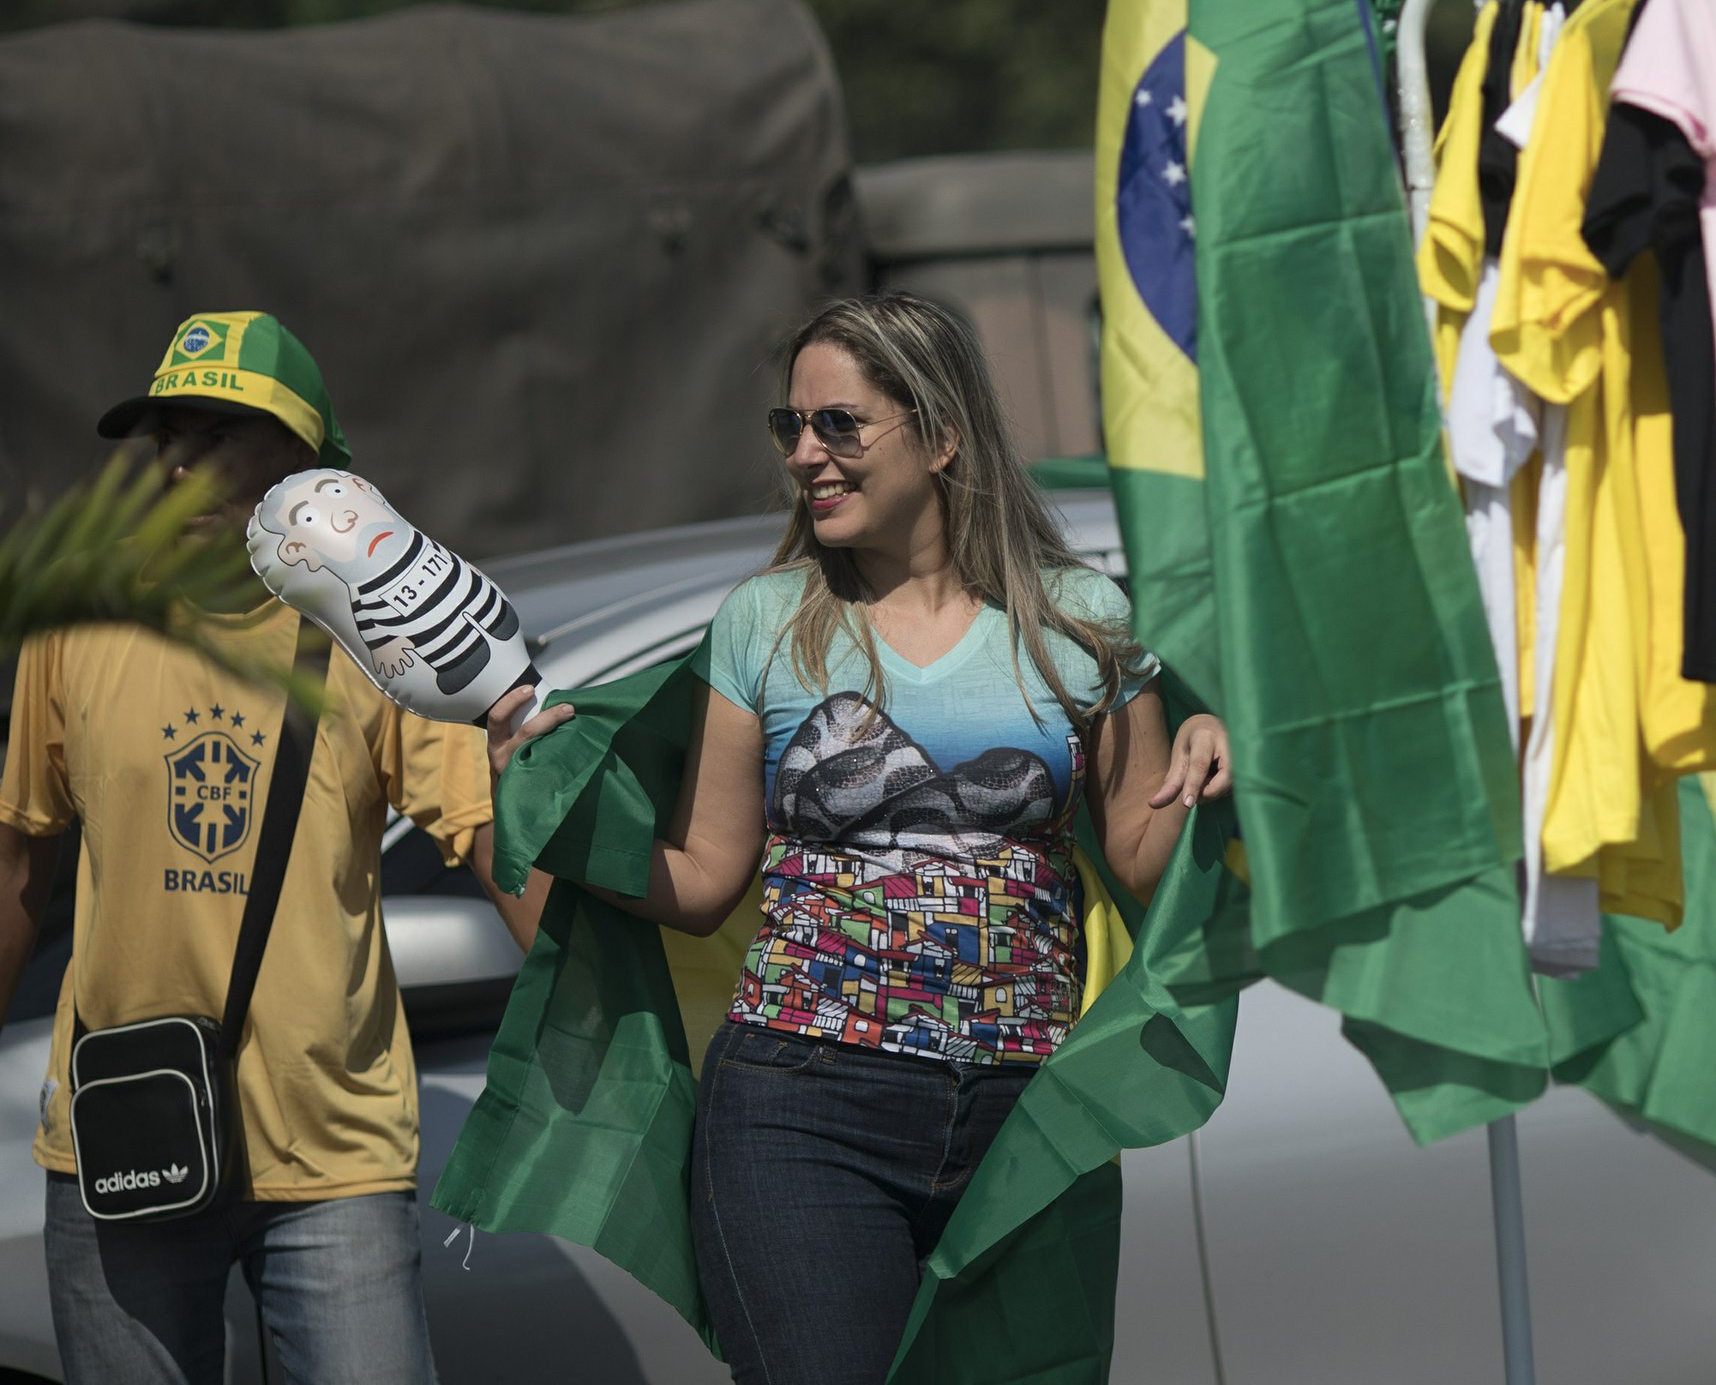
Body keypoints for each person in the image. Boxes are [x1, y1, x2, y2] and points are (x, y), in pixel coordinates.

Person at [489, 292, 1232, 1385]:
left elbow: (1137, 856)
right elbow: (701, 878)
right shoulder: (766, 620)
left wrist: (1208, 755)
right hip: (800, 1110)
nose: (805, 453)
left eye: (839, 423)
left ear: (940, 436)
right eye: (789, 426)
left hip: (1027, 1115)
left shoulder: (1082, 620)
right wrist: (548, 804)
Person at [0, 311, 530, 1385]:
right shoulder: (85, 621)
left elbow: (498, 853)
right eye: (166, 435)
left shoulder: (379, 632)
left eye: (217, 430)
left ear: (303, 459)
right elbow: (17, 865)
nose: (180, 461)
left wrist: (626, 1028)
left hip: (332, 1153)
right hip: (123, 1133)